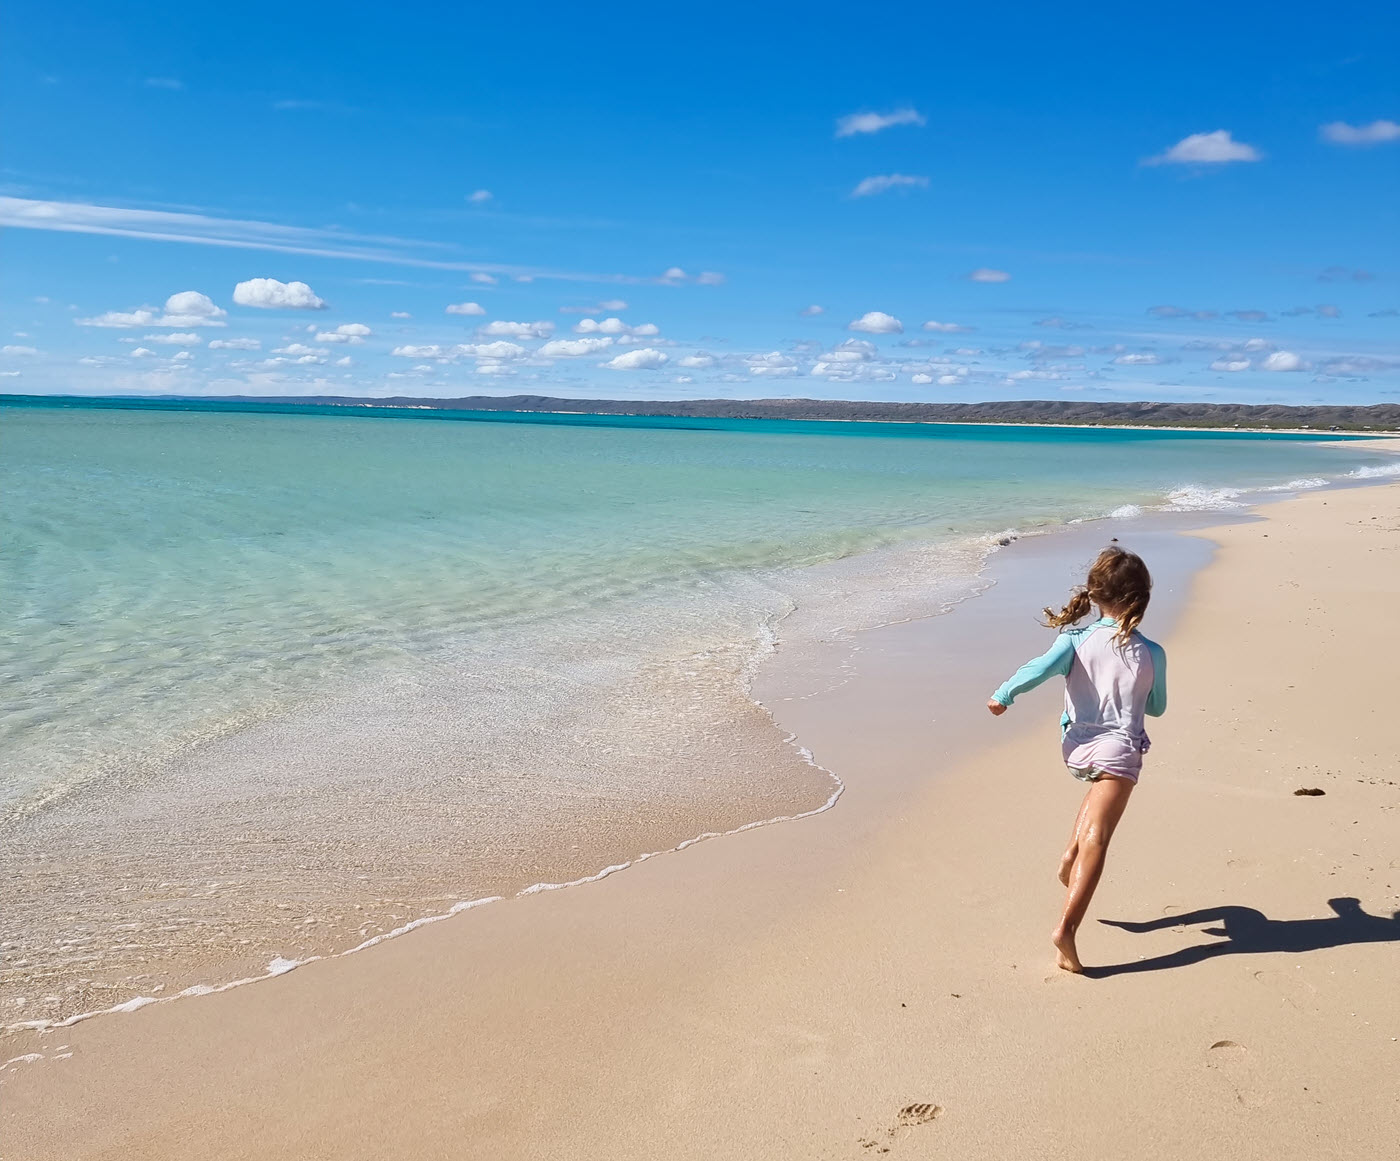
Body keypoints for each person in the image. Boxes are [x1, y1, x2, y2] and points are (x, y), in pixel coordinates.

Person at [986, 546, 1166, 973]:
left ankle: (1069, 855)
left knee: (1094, 796)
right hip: (1119, 751)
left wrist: (1003, 695)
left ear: (1095, 594)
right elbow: (1156, 707)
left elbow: (1037, 669)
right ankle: (1066, 928)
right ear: (1141, 598)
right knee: (1099, 839)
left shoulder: (1074, 639)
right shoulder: (1151, 652)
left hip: (1075, 748)